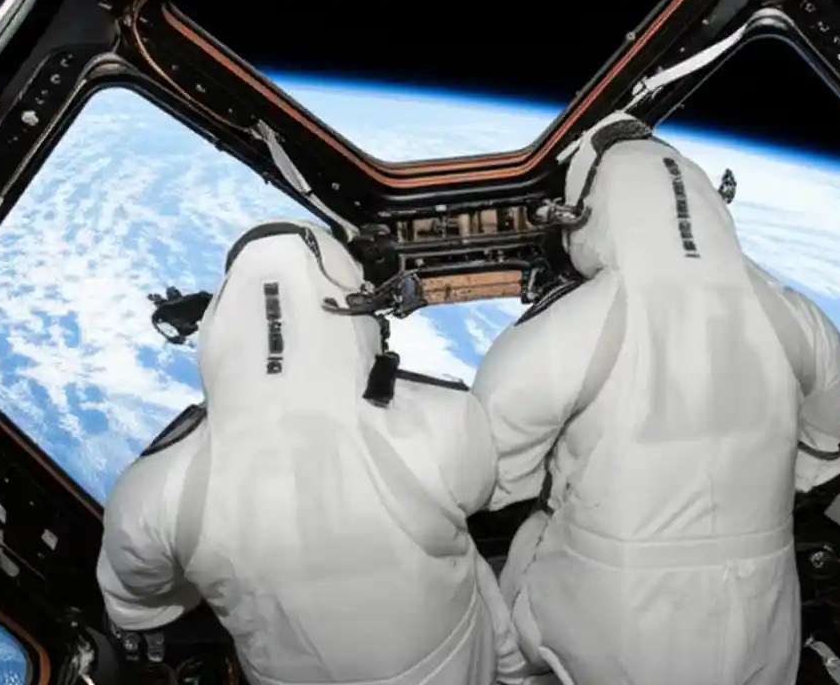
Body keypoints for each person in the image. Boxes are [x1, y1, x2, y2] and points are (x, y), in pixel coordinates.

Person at [471, 113, 840, 685]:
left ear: (589, 215)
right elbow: (819, 453)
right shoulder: (800, 321)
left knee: (527, 559)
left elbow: (493, 476)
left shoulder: (566, 330)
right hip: (760, 613)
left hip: (613, 617)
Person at [96, 219, 534, 685]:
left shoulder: (155, 492)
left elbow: (137, 606)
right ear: (356, 314)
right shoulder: (442, 420)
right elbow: (485, 487)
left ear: (218, 331)